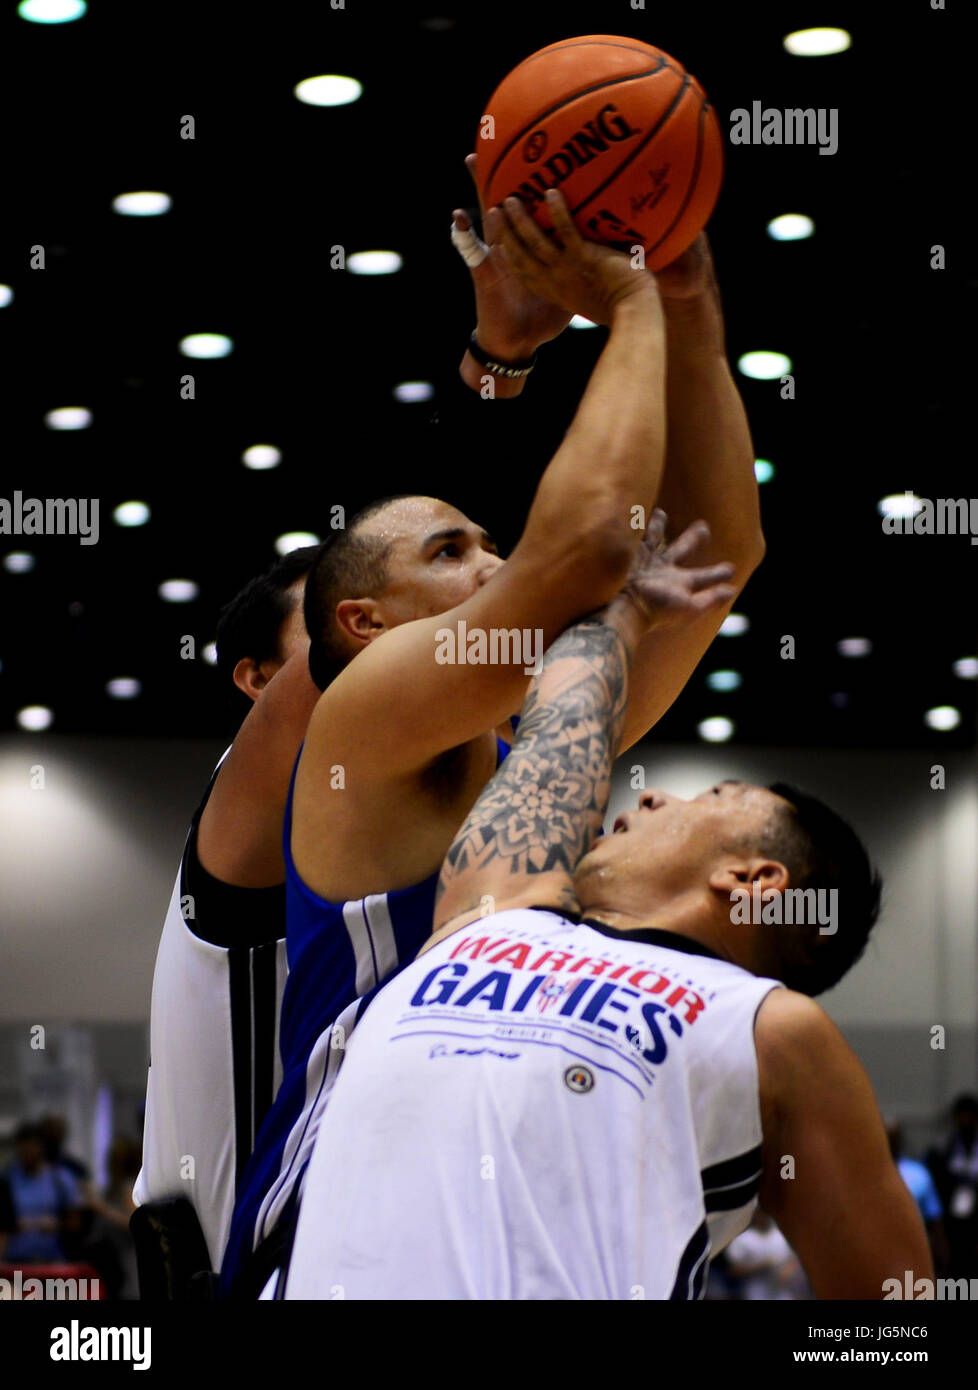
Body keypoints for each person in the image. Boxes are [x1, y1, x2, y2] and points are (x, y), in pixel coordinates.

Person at [221, 184, 763, 1293]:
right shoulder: (358, 716)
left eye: (491, 541)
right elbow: (582, 557)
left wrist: (690, 297)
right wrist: (625, 300)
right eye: (454, 549)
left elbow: (718, 558)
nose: (493, 559)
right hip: (337, 1232)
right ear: (363, 623)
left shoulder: (534, 751)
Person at [280, 513, 932, 1299]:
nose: (652, 792)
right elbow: (560, 733)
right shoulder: (499, 906)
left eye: (716, 795)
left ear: (754, 881)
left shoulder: (768, 1026)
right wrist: (625, 611)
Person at [133, 542, 321, 1271]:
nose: (379, 627)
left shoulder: (401, 800)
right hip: (236, 1270)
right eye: (339, 614)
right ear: (258, 679)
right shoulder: (258, 776)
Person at [0, 1122, 82, 1267]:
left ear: (42, 1147)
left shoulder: (60, 1179)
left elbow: (75, 1223)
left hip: (53, 1261)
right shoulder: (8, 1178)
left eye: (33, 1146)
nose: (28, 1152)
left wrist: (56, 1225)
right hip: (15, 1261)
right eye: (23, 1148)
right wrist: (14, 1225)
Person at [927, 1094, 978, 1278]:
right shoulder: (944, 1148)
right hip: (951, 1218)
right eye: (962, 1116)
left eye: (970, 1116)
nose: (966, 1121)